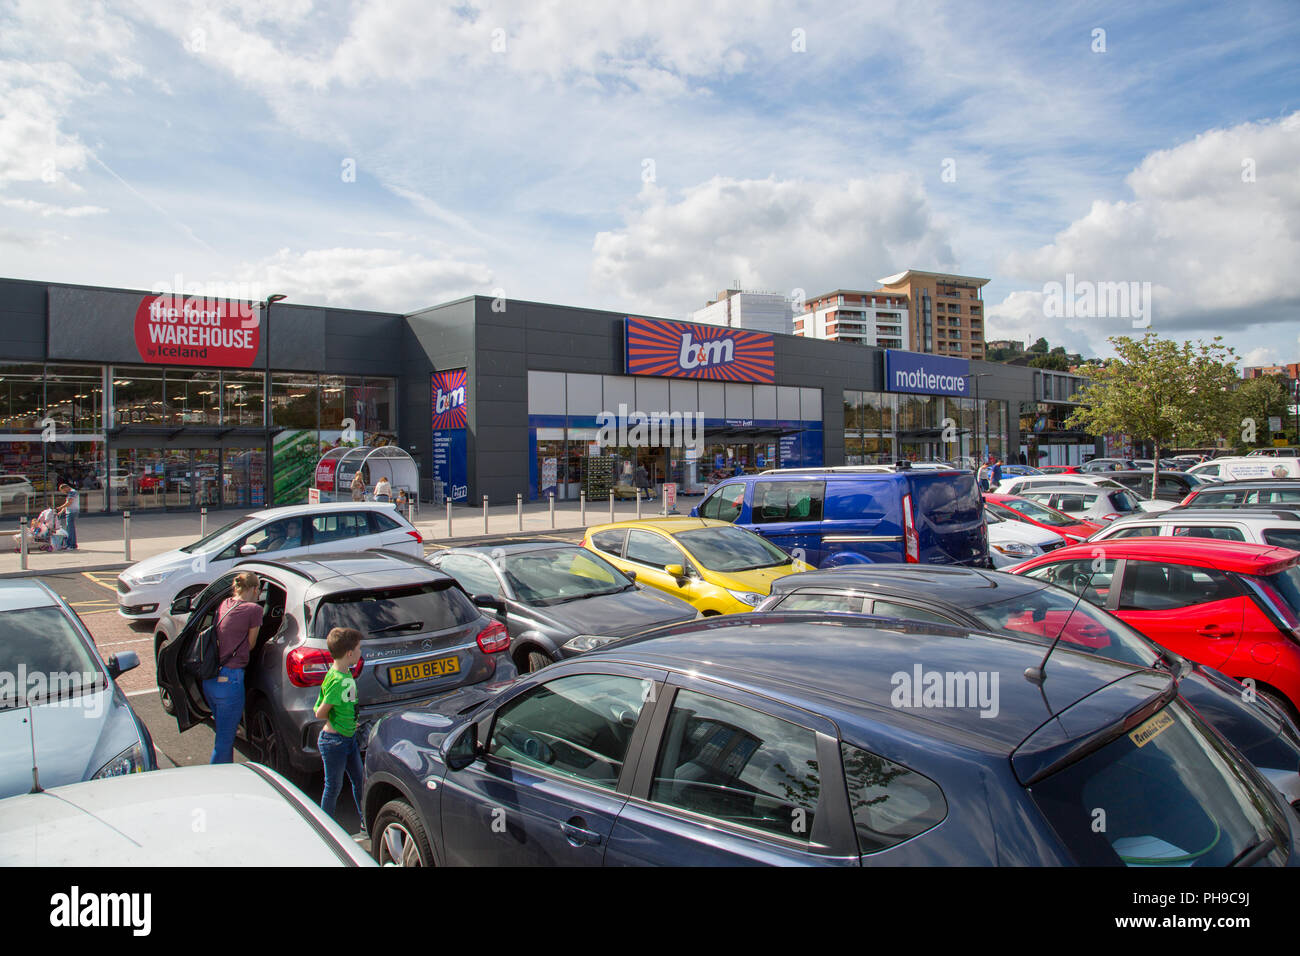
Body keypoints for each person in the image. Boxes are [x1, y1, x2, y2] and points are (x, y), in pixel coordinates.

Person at [205, 572, 263, 764]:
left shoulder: (225, 604)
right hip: (231, 681)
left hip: (211, 681)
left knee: (222, 735)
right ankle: (220, 781)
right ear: (255, 589)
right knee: (224, 742)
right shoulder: (253, 609)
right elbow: (252, 643)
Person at [315, 626, 365, 825]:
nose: (361, 652)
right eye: (359, 649)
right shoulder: (339, 681)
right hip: (334, 741)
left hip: (348, 737)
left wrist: (352, 721)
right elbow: (320, 712)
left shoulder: (342, 676)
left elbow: (348, 704)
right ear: (350, 653)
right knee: (333, 786)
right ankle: (325, 826)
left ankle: (365, 822)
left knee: (359, 781)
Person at [56, 483, 78, 550]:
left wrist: (60, 507)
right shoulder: (71, 493)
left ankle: (72, 545)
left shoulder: (72, 492)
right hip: (70, 512)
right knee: (70, 528)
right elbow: (67, 504)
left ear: (65, 488)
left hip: (72, 512)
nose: (63, 492)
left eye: (63, 491)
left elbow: (69, 502)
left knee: (70, 529)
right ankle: (71, 544)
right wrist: (61, 511)